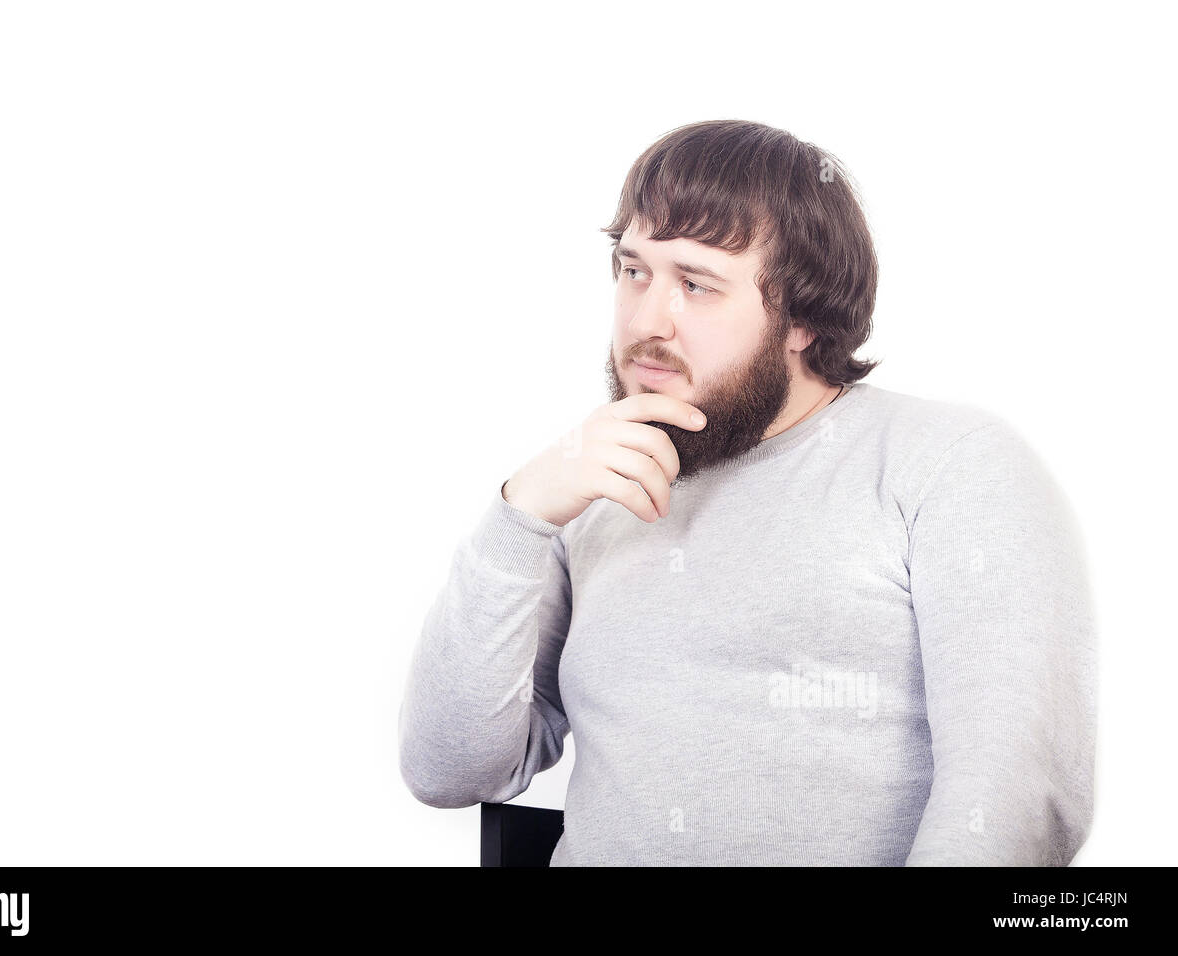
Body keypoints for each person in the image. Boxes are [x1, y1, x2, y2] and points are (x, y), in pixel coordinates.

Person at [397, 119, 1097, 866]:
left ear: (802, 317)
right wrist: (520, 515)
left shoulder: (953, 465)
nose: (644, 321)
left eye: (695, 284)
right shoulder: (594, 485)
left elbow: (1018, 794)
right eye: (635, 272)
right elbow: (449, 770)